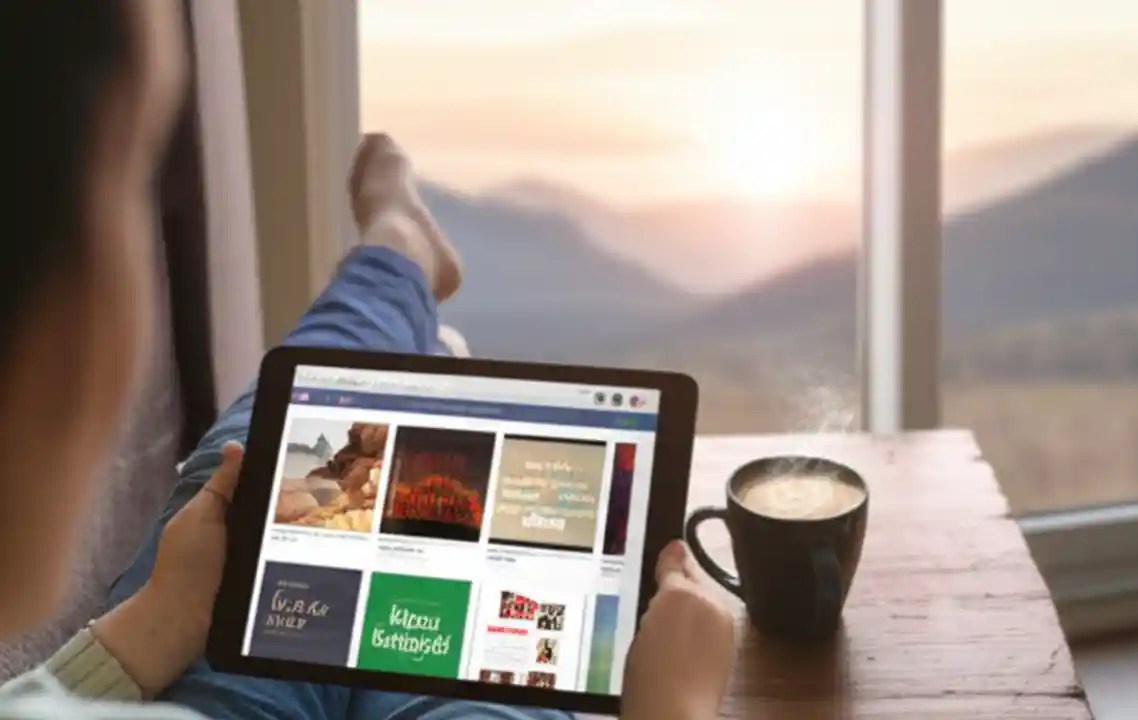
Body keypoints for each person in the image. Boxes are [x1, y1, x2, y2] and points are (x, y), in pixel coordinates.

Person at [0, 2, 735, 720]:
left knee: (274, 467)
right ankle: (399, 260)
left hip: (178, 648)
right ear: (65, 343)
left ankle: (402, 261)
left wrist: (154, 623)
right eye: (131, 181)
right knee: (286, 455)